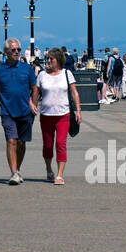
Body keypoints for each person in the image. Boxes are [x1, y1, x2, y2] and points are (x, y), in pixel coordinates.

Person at [0, 39, 38, 185]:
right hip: (7, 111)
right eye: (13, 50)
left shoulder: (27, 68)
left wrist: (33, 104)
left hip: (25, 111)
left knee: (21, 143)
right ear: (6, 53)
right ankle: (14, 173)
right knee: (11, 140)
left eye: (18, 49)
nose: (16, 52)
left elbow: (35, 88)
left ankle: (18, 169)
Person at [37, 48, 81, 184]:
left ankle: (60, 174)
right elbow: (35, 92)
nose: (49, 61)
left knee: (61, 144)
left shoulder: (67, 74)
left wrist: (78, 110)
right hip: (46, 114)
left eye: (52, 59)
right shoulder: (42, 75)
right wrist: (31, 104)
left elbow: (74, 92)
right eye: (48, 58)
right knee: (48, 145)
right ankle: (48, 169)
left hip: (63, 114)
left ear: (59, 60)